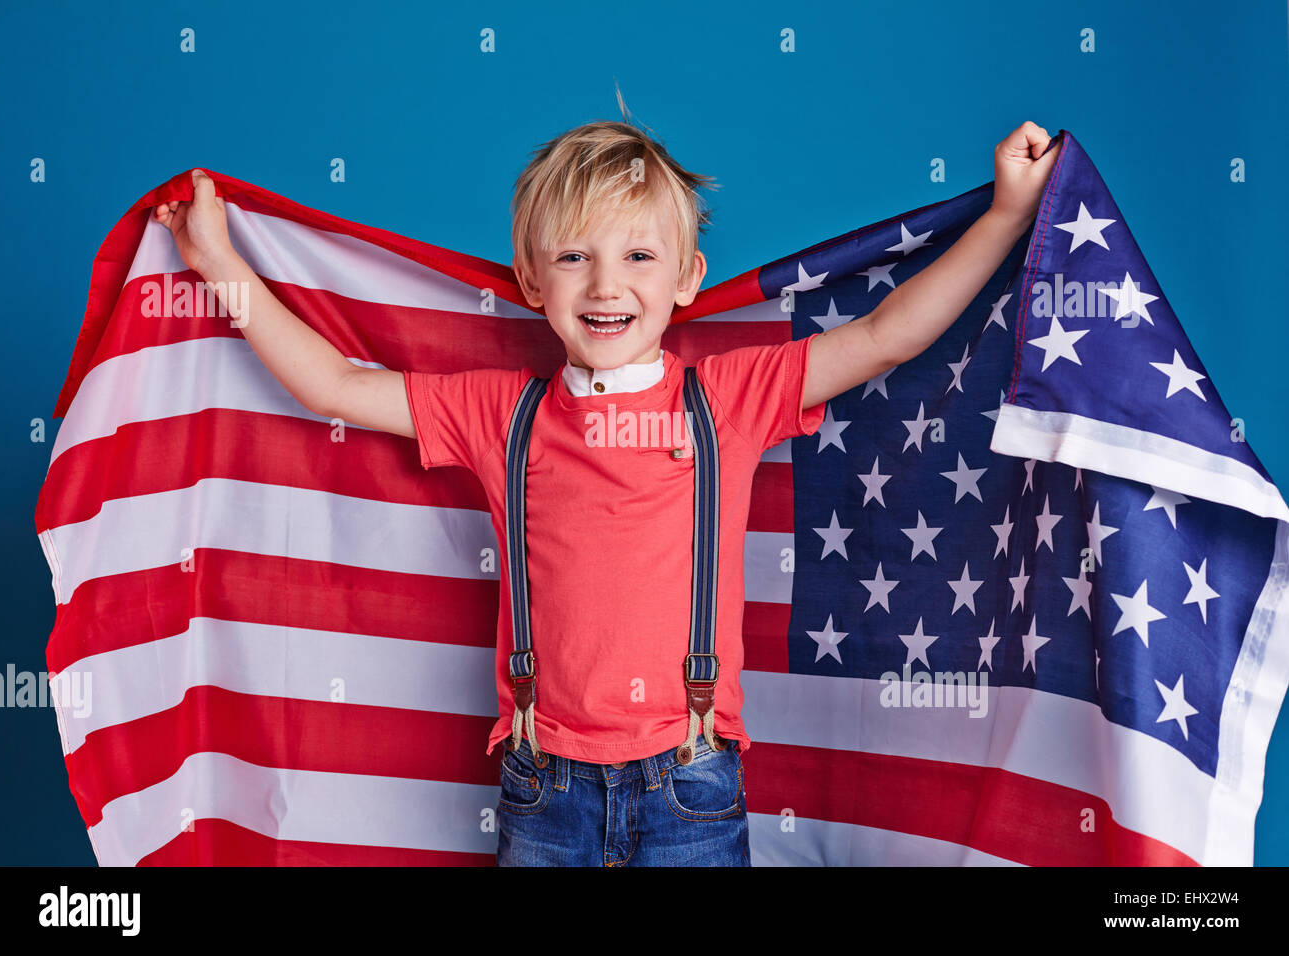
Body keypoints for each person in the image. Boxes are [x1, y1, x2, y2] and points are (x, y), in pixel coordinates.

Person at [153, 112, 1058, 867]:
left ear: (686, 280)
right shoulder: (499, 412)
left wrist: (1006, 218)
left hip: (690, 784)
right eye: (575, 258)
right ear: (530, 281)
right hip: (543, 786)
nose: (607, 284)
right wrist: (219, 265)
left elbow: (888, 336)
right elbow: (334, 387)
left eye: (637, 257)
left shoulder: (727, 401)